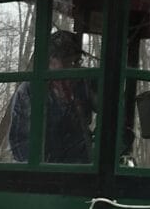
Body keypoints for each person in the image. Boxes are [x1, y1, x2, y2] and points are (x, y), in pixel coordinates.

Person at [7, 29, 96, 163]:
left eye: (76, 60)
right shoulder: (30, 91)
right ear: (50, 61)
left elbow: (108, 110)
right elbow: (20, 143)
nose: (72, 66)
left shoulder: (84, 84)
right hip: (45, 170)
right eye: (66, 61)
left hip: (80, 167)